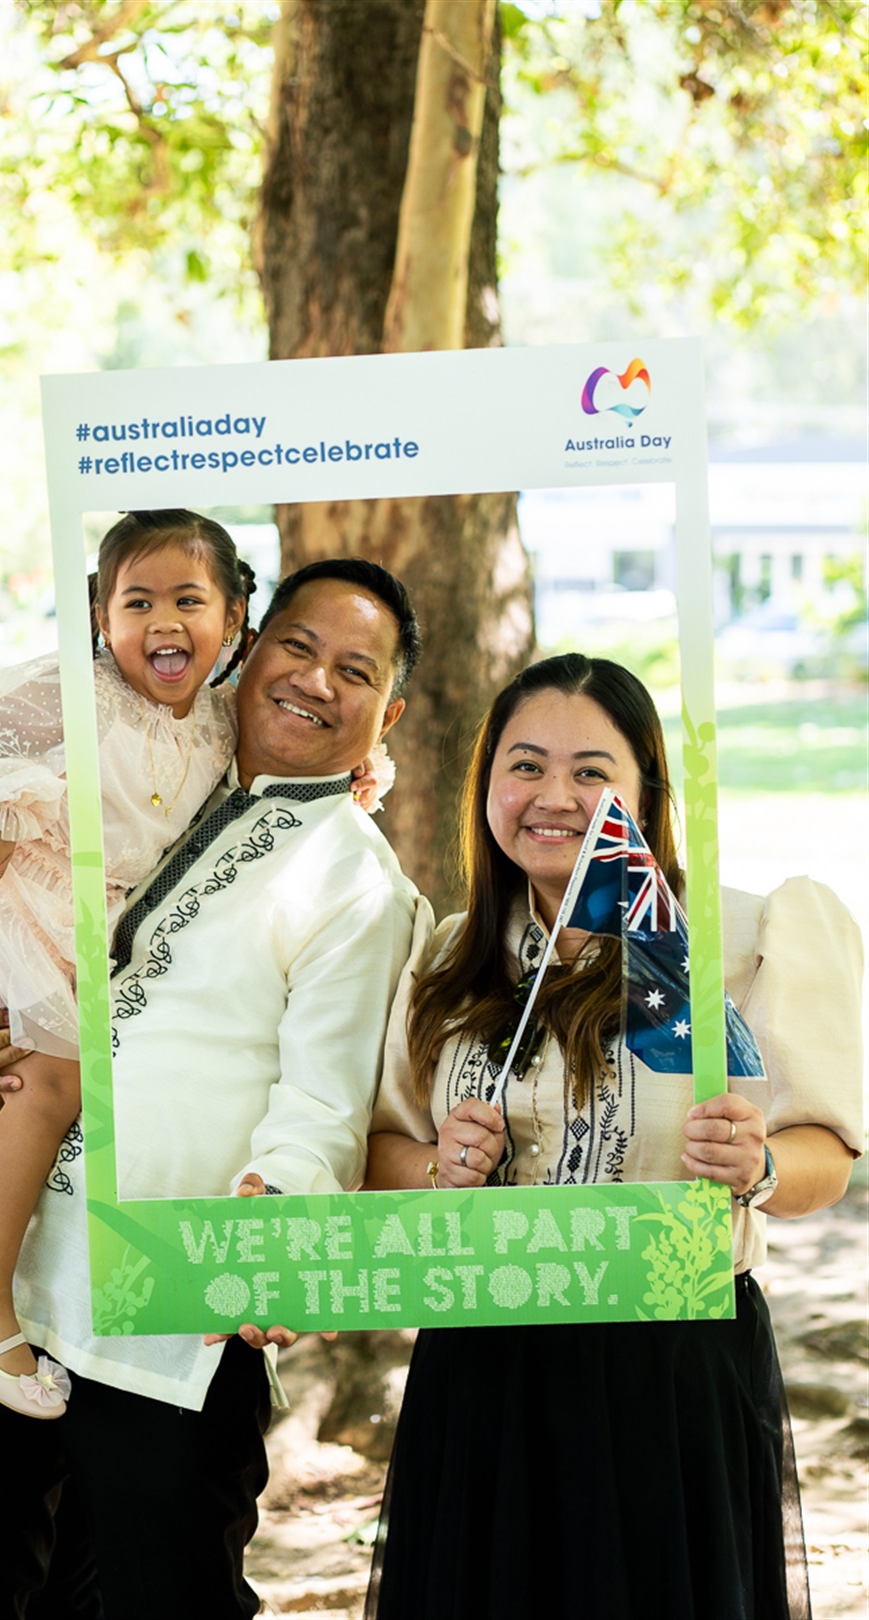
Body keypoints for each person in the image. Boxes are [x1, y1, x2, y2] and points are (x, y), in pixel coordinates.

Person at [0, 558, 424, 1617]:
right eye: (298, 647)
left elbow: (324, 1105)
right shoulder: (133, 766)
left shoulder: (356, 878)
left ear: (389, 713)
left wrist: (278, 1213)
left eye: (356, 671)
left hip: (166, 1321)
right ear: (248, 646)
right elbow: (4, 912)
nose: (317, 681)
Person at [363, 652, 863, 1620]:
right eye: (526, 765)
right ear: (487, 784)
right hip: (485, 1366)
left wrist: (758, 1164)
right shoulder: (446, 957)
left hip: (669, 1374)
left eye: (591, 771)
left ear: (645, 793)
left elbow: (826, 1159)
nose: (555, 797)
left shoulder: (740, 939)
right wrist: (438, 1164)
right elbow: (385, 1152)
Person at [0, 509, 256, 1416]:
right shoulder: (75, 691)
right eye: (137, 603)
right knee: (49, 1088)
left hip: (98, 928)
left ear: (232, 617)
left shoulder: (221, 717)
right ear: (101, 615)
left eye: (189, 601)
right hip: (28, 902)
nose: (164, 622)